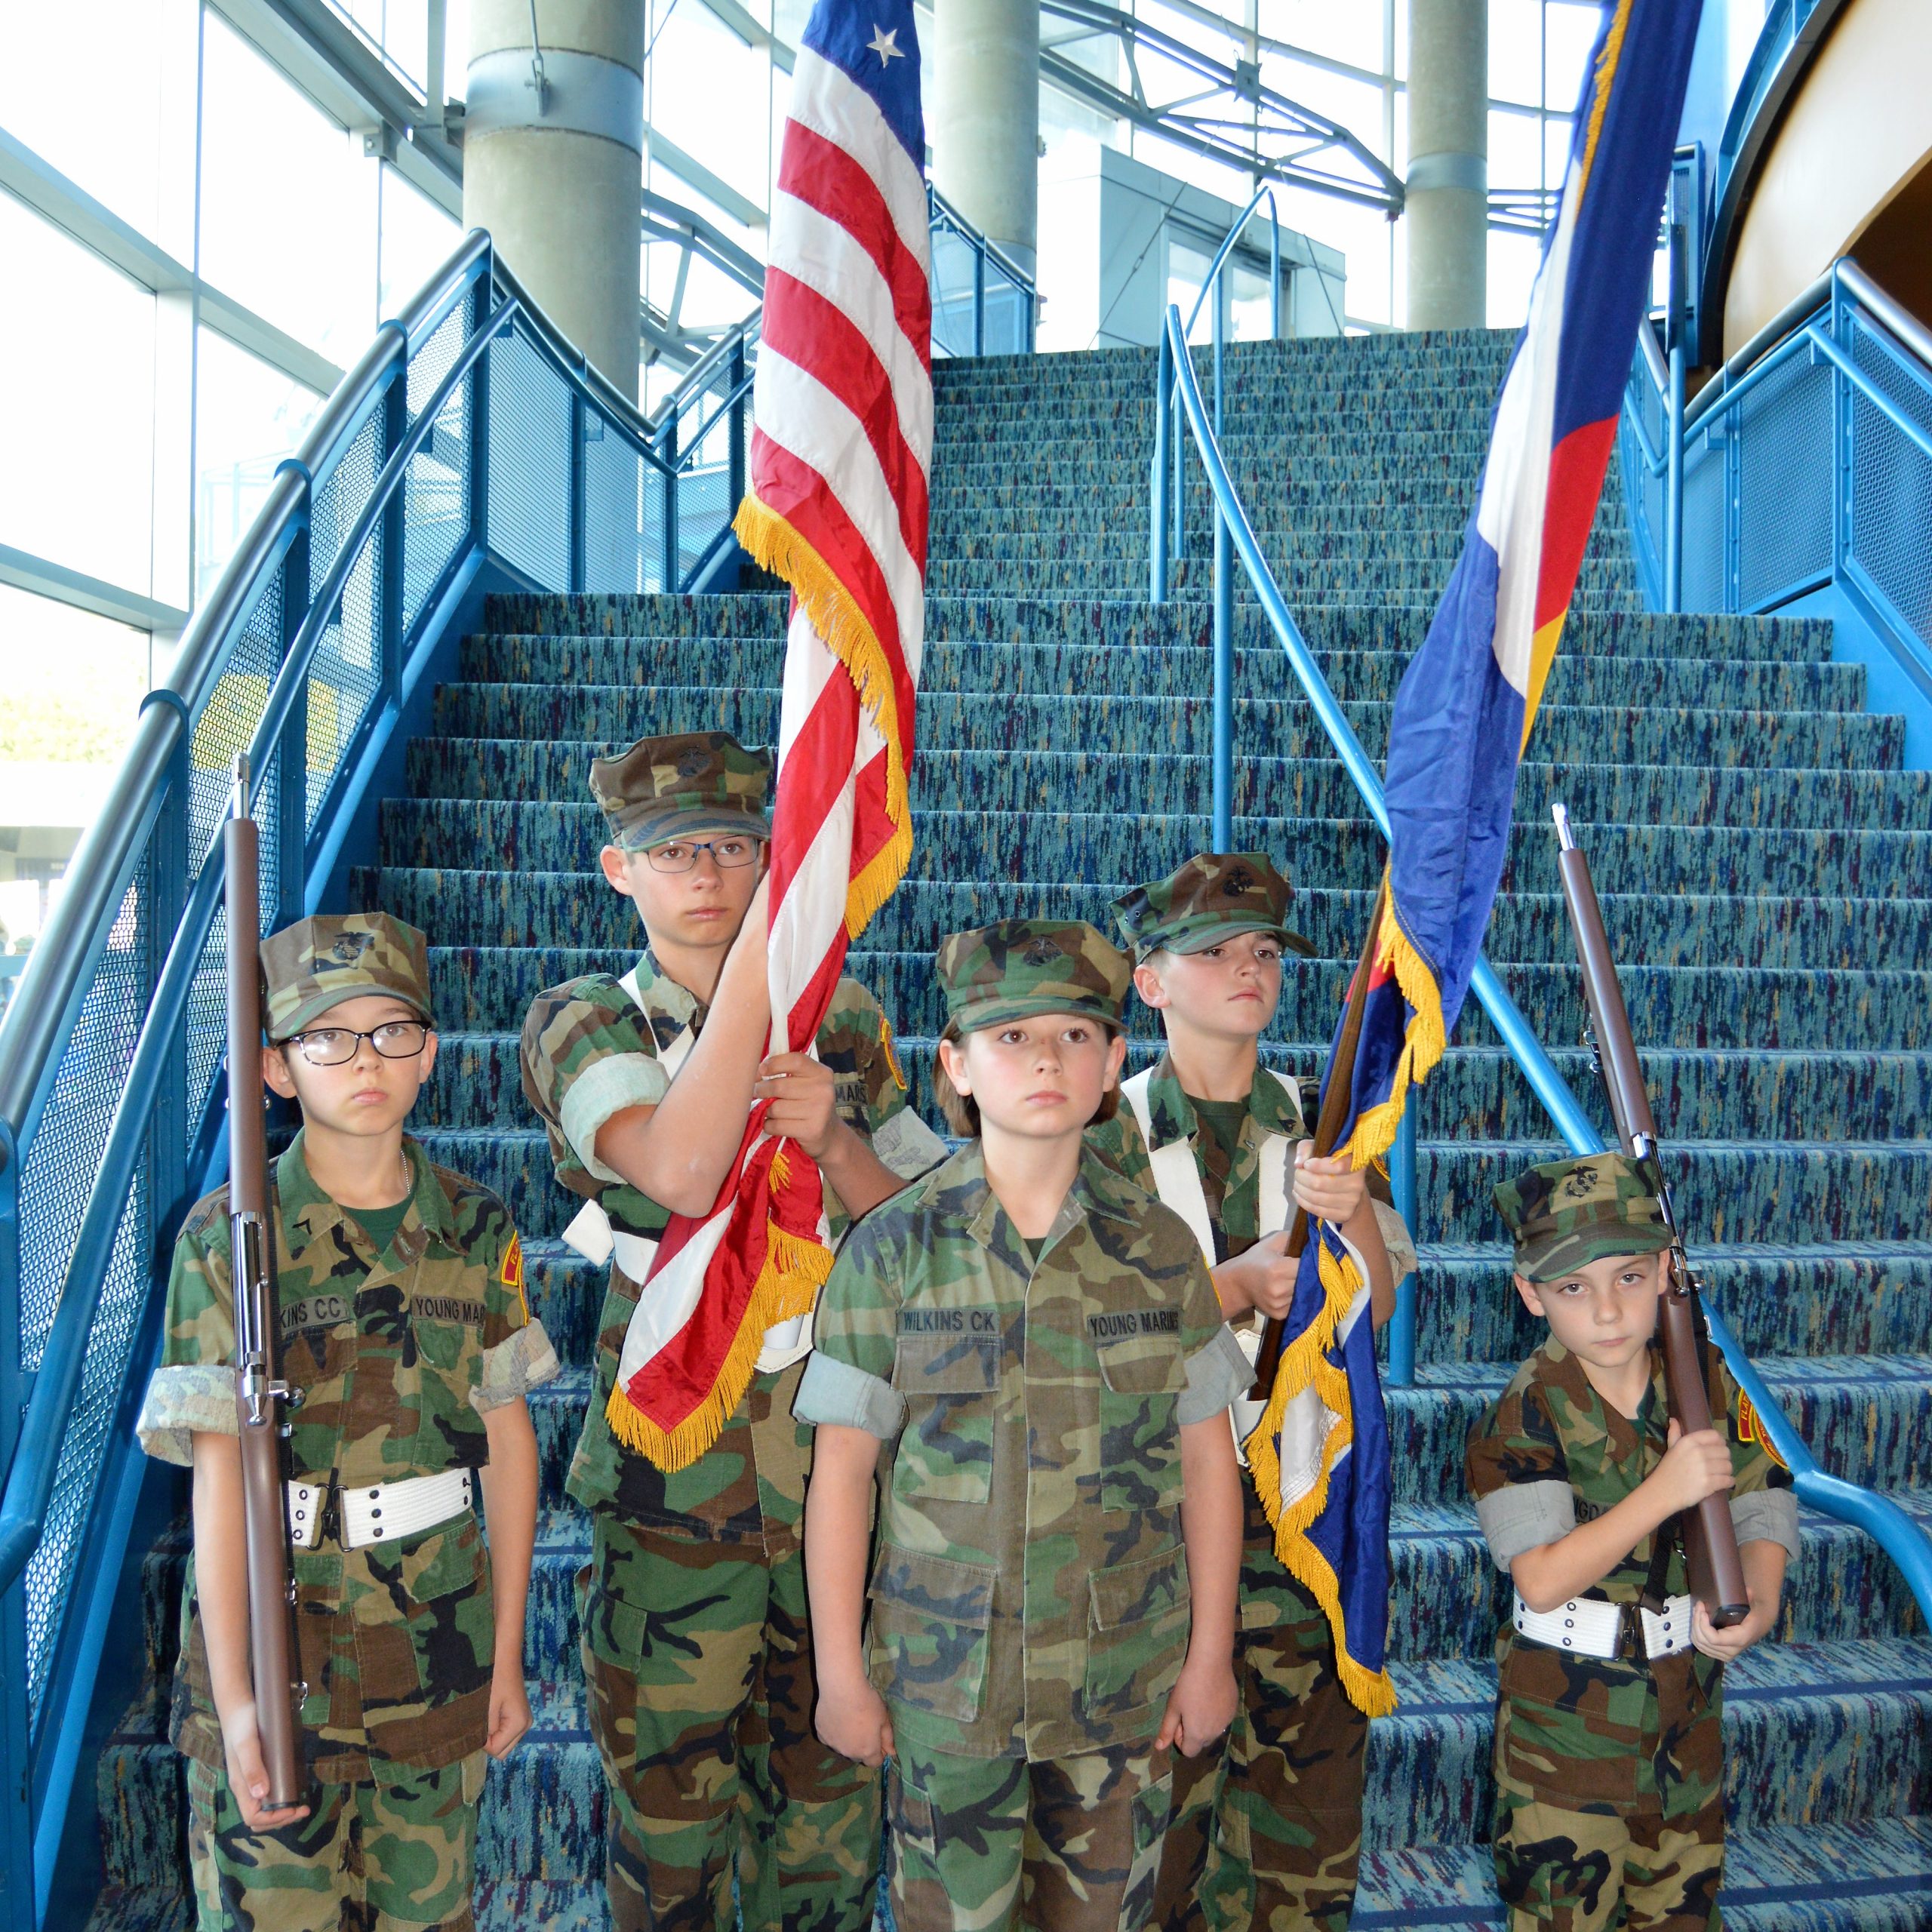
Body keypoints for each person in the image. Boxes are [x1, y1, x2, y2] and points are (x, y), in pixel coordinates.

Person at [518, 728, 945, 1932]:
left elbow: (931, 1234)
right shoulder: (582, 1022)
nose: (706, 874)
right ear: (619, 871)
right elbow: (682, 1170)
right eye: (672, 853)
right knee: (670, 1829)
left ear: (777, 859)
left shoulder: (843, 1019)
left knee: (825, 1825)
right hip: (674, 1496)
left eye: (735, 849)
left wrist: (838, 1141)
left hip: (834, 1475)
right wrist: (767, 975)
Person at [796, 917, 1250, 1932]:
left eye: (1077, 1035)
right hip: (945, 1686)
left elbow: (1209, 1463)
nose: (1046, 1058)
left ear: (1114, 1063)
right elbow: (842, 1479)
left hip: (1120, 1681)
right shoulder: (892, 1249)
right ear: (954, 1065)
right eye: (1010, 1038)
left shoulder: (1162, 1250)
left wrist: (1210, 1653)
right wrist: (838, 1672)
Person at [137, 911, 555, 1932]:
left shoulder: (477, 1225)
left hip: (436, 1642)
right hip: (287, 1648)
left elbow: (508, 1450)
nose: (364, 1061)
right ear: (277, 1070)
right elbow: (223, 1481)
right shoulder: (228, 1240)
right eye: (326, 1038)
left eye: (392, 1033)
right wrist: (236, 1703)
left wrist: (507, 1657)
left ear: (431, 1058)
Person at [1091, 851, 1416, 1932]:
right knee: (1149, 1853)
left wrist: (1353, 1207)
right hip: (1147, 1535)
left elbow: (1378, 1310)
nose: (1249, 968)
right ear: (1151, 982)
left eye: (1267, 951)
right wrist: (1225, 1290)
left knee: (1299, 1849)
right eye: (1215, 951)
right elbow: (1051, 1334)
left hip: (1301, 1522)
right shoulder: (1099, 1132)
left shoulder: (1329, 1124)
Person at [1468, 1152, 1798, 1932]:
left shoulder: (1702, 1376)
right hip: (1564, 1745)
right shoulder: (1525, 1411)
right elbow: (1542, 1580)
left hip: (1684, 1723)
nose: (1608, 1311)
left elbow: (1762, 1500)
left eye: (1628, 1276)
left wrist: (1755, 1600)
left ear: (1664, 1273)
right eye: (1573, 1288)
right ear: (1530, 1293)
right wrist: (1665, 1490)